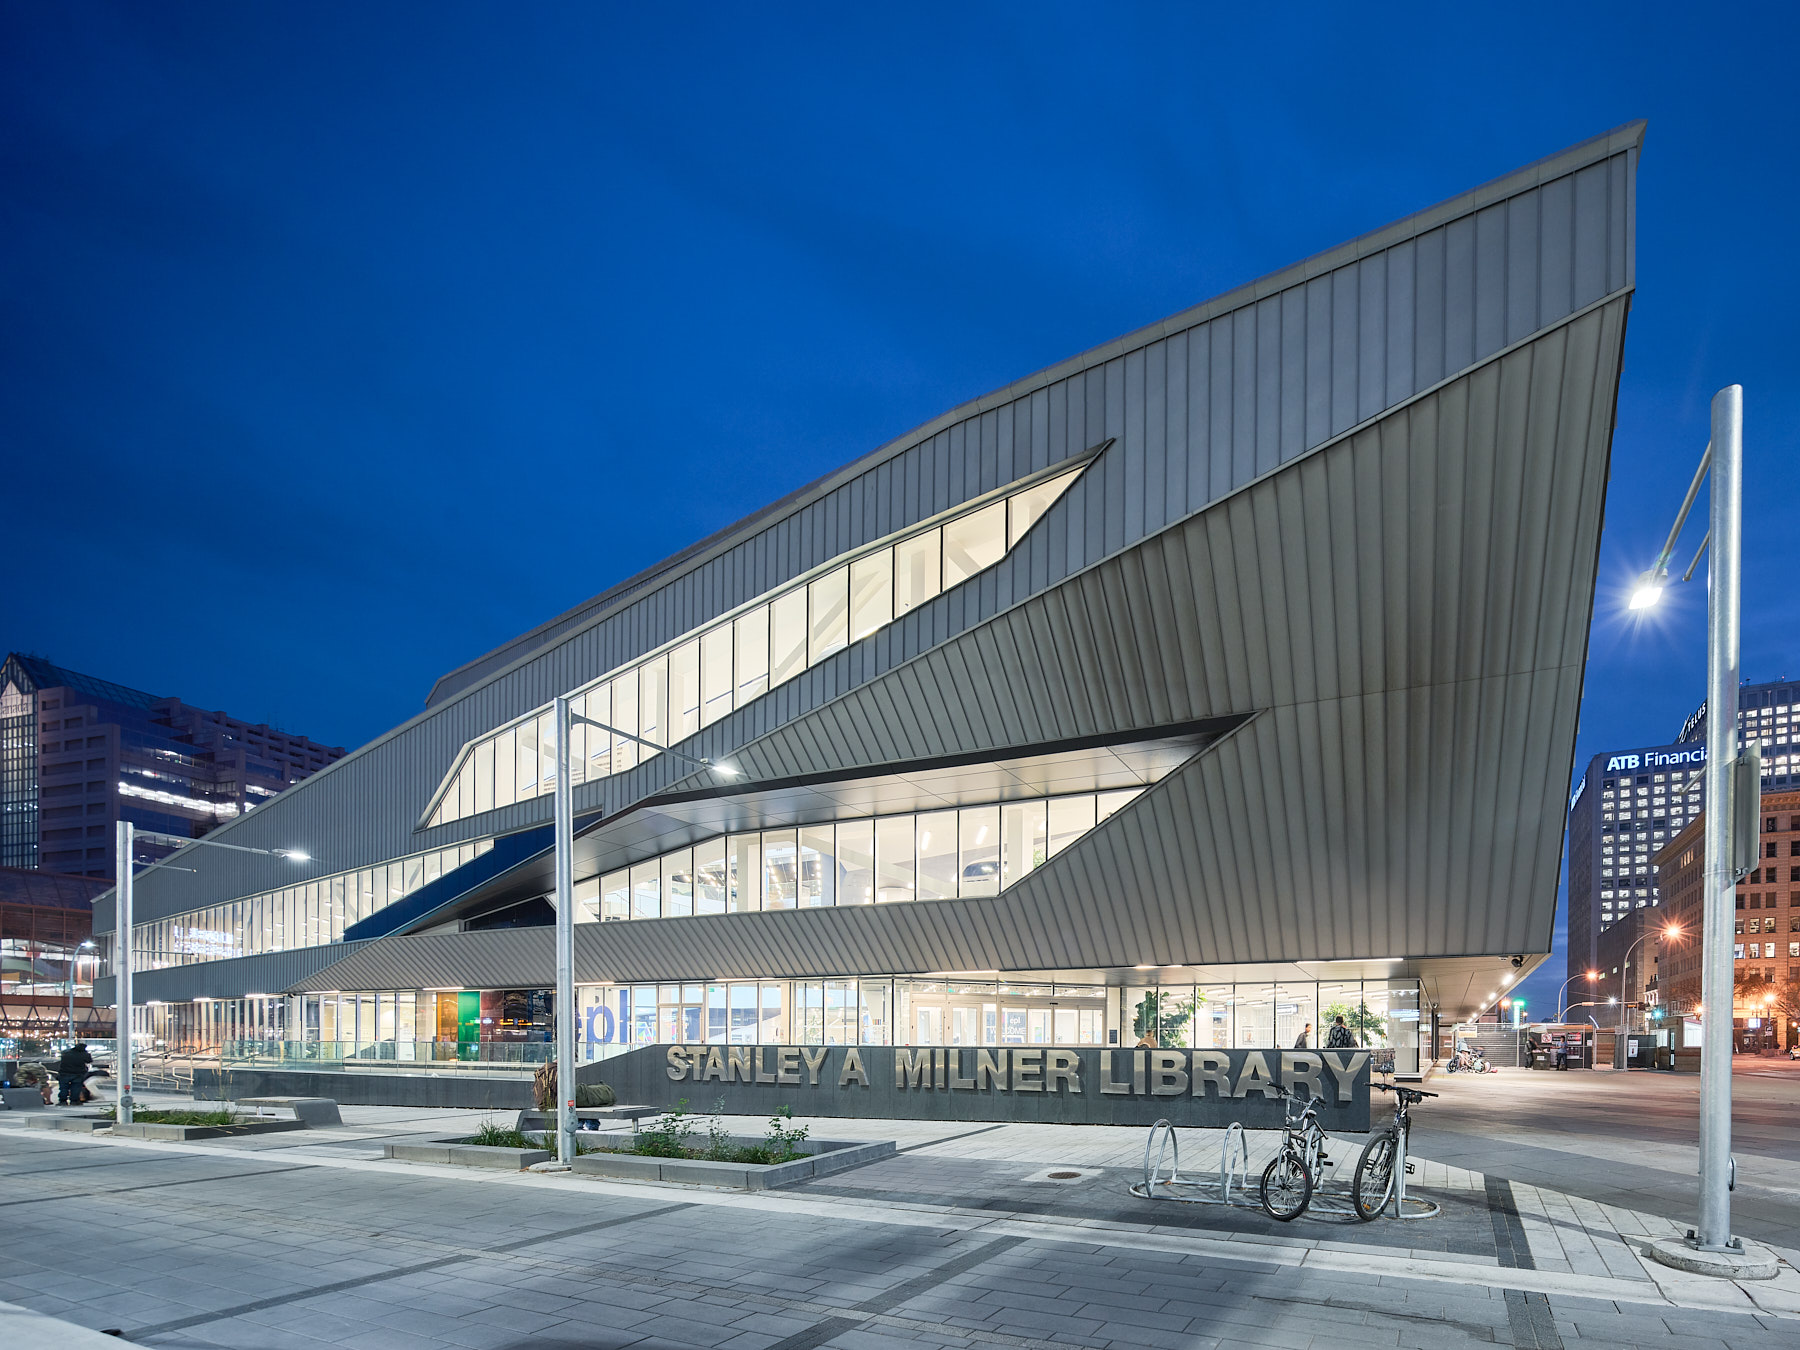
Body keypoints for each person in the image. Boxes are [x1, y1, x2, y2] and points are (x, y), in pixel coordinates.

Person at [56, 1041, 93, 1107]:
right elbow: (89, 1061)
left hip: (64, 1072)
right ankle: (74, 1101)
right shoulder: (84, 1054)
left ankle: (62, 1101)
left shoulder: (66, 1053)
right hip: (78, 1073)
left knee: (63, 1088)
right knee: (76, 1087)